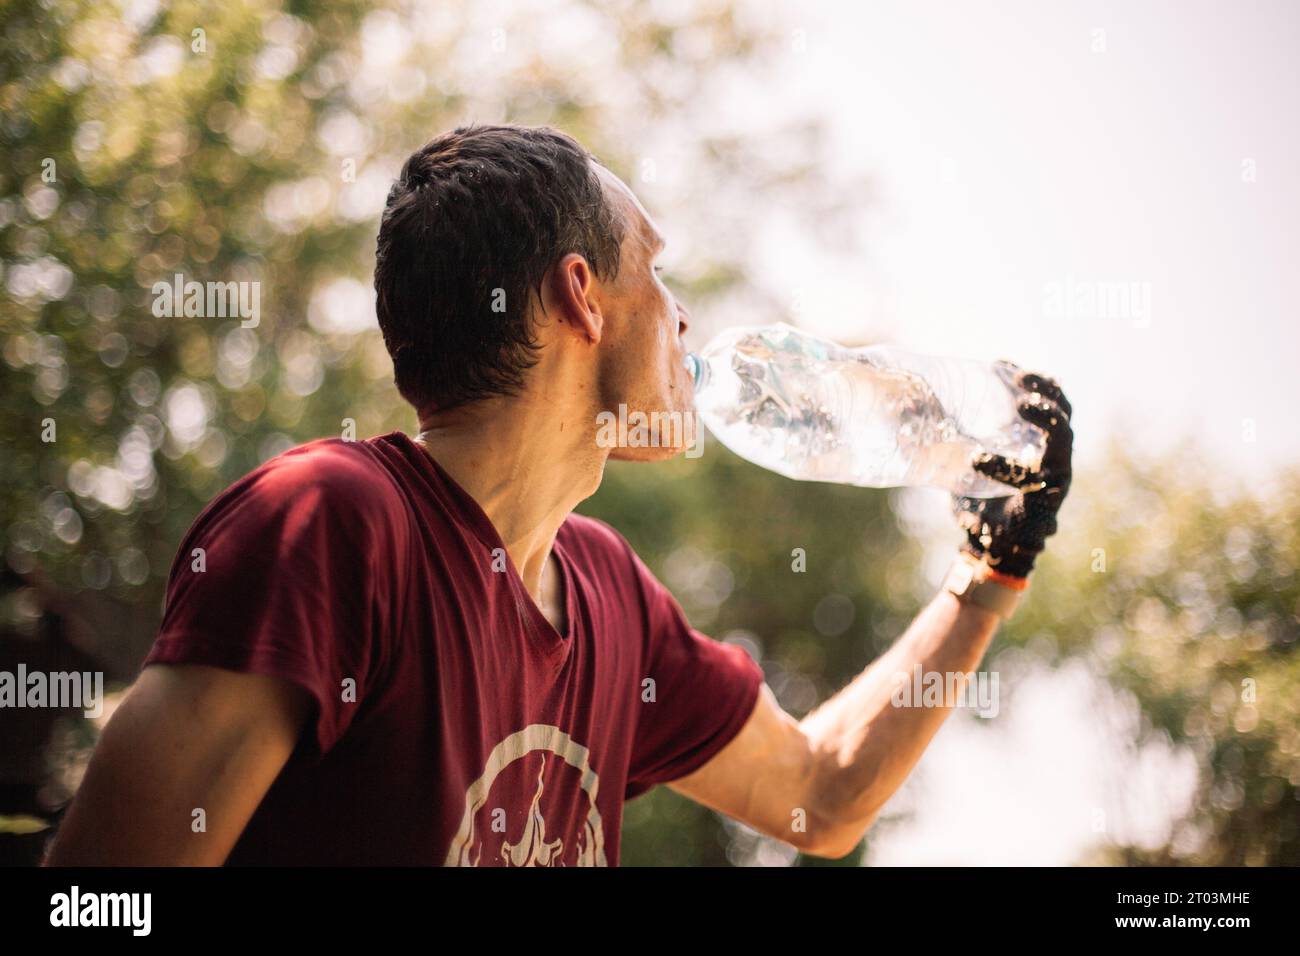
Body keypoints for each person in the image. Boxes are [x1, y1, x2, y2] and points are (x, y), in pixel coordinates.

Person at [44, 124, 1072, 866]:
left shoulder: (610, 593)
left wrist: (989, 569)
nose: (681, 319)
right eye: (654, 271)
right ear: (582, 294)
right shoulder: (328, 525)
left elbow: (819, 795)